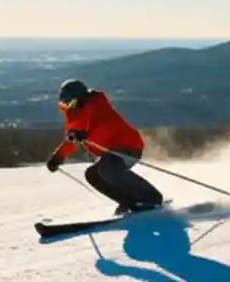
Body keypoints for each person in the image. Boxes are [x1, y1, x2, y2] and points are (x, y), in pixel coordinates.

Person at [46, 79, 165, 215]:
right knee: (93, 174)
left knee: (107, 168)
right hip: (109, 153)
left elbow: (103, 127)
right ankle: (128, 201)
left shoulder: (97, 106)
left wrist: (85, 133)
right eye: (64, 104)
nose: (68, 108)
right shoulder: (75, 118)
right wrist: (57, 158)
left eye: (70, 103)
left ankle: (151, 197)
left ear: (80, 99)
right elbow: (71, 142)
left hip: (128, 147)